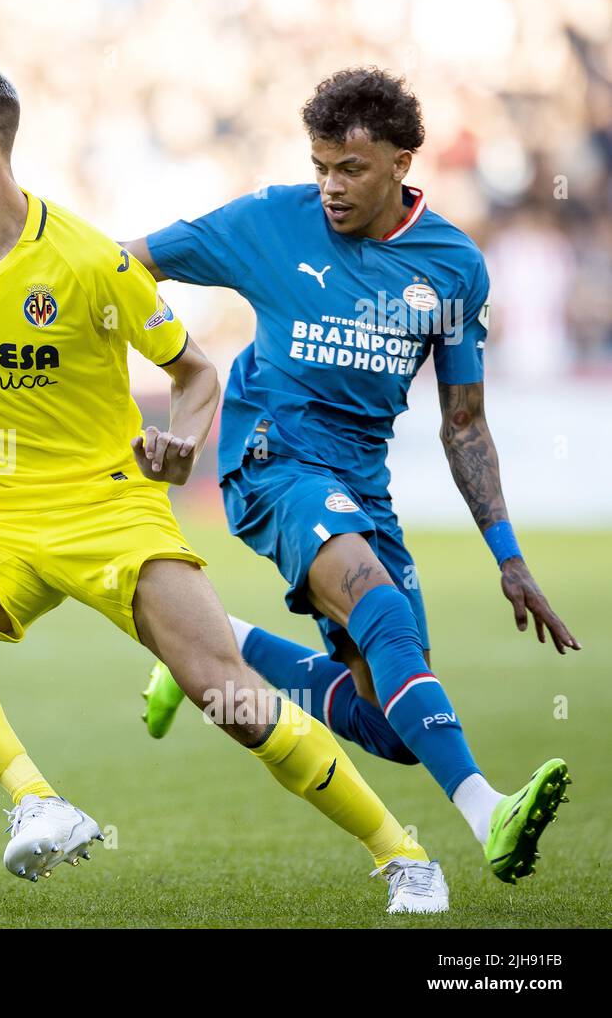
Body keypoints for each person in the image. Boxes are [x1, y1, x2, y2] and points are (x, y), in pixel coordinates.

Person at [0, 59, 448, 913]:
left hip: (109, 510)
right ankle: (36, 800)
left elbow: (196, 371)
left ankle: (403, 854)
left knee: (230, 694)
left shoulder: (91, 261)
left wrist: (182, 442)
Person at [125, 68, 575, 885]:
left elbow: (464, 422)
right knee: (378, 601)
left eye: (351, 169)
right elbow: (124, 265)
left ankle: (217, 641)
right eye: (321, 165)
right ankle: (486, 808)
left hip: (359, 485)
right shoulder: (270, 222)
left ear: (403, 162)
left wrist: (509, 557)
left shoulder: (452, 267)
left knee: (396, 724)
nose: (330, 186)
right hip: (270, 462)